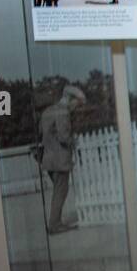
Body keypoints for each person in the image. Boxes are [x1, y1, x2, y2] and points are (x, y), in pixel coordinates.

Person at [40, 84, 84, 232]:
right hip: (60, 160)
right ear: (70, 99)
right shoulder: (63, 112)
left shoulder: (48, 111)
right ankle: (55, 224)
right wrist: (74, 141)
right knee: (61, 191)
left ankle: (55, 222)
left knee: (57, 191)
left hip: (48, 159)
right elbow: (64, 137)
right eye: (76, 104)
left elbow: (42, 133)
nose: (75, 108)